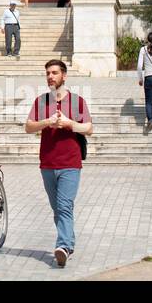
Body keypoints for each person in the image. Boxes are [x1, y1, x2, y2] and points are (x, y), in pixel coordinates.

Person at [25, 59, 93, 268]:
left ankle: (62, 246)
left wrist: (70, 124)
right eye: (47, 73)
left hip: (70, 163)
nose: (50, 77)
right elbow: (28, 127)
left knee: (64, 206)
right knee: (58, 208)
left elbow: (89, 128)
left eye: (54, 73)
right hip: (47, 163)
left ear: (64, 76)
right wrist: (47, 122)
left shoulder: (77, 101)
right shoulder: (41, 101)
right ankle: (69, 243)